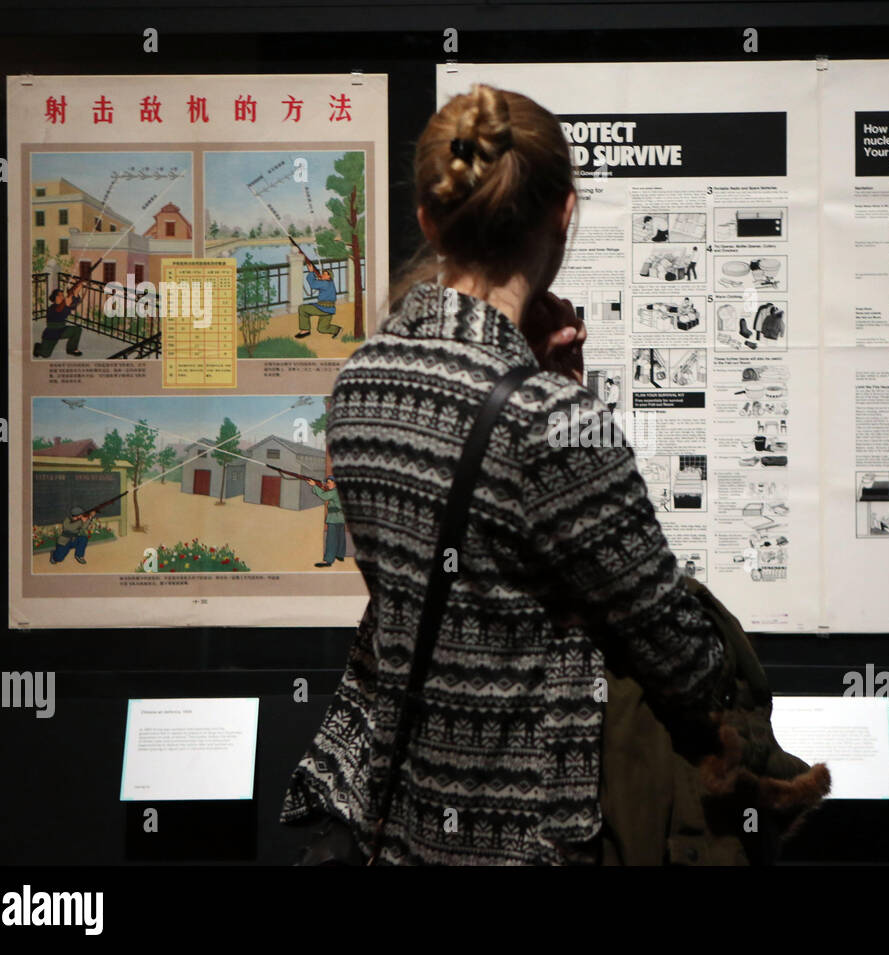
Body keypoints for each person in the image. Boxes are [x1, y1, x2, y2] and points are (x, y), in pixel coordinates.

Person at [281, 83, 728, 866]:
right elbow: (687, 662)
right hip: (538, 845)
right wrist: (566, 401)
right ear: (563, 213)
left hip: (405, 829)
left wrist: (544, 378)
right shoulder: (556, 422)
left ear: (427, 220)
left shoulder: (359, 384)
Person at [306, 476, 345, 567]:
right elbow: (322, 493)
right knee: (340, 538)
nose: (327, 484)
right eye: (327, 482)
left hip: (334, 519)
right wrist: (316, 487)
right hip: (341, 518)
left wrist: (315, 485)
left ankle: (328, 560)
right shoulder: (337, 491)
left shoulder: (334, 492)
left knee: (331, 539)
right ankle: (340, 555)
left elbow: (324, 496)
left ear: (334, 483)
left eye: (329, 482)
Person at [297, 264, 342, 340]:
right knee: (322, 328)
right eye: (322, 274)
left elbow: (313, 284)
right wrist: (317, 277)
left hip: (323, 308)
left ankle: (305, 330)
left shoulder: (324, 283)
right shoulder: (329, 283)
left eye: (325, 274)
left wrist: (311, 272)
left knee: (302, 308)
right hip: (330, 309)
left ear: (329, 277)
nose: (322, 275)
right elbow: (318, 283)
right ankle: (337, 330)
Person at [35, 288, 84, 358]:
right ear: (55, 297)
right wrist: (67, 303)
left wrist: (76, 291)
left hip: (62, 330)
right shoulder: (52, 308)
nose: (62, 297)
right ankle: (38, 347)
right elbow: (61, 312)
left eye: (62, 295)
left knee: (77, 330)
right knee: (45, 355)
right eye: (60, 295)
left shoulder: (63, 305)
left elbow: (73, 303)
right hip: (51, 333)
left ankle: (71, 349)